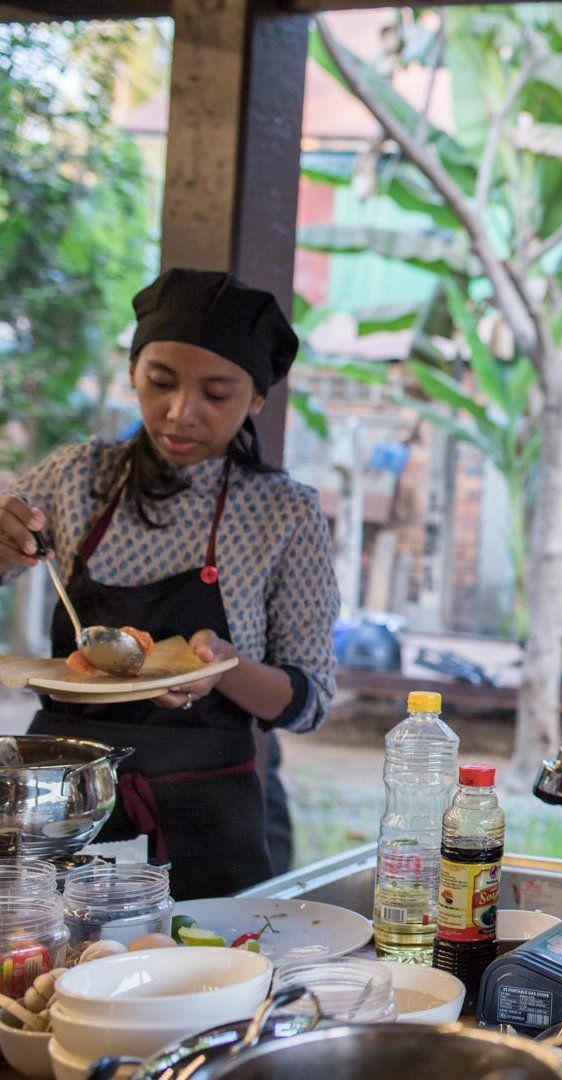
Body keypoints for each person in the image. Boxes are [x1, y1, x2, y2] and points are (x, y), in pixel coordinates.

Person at [0, 268, 341, 899]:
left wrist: (220, 666)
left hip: (208, 815)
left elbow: (309, 700)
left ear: (257, 400)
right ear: (133, 370)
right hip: (63, 807)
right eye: (160, 382)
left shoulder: (283, 513)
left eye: (217, 393)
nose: (181, 413)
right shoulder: (76, 478)